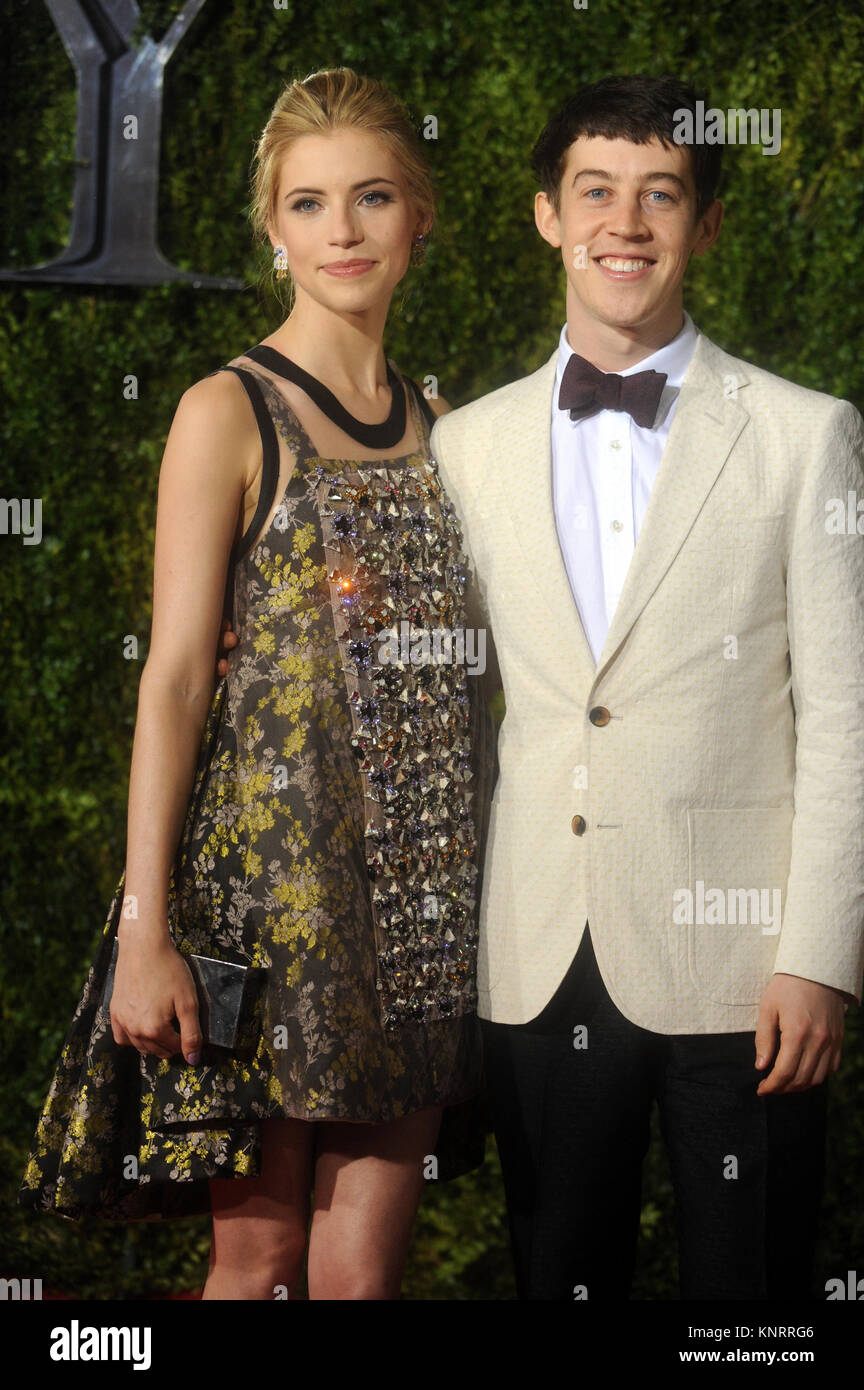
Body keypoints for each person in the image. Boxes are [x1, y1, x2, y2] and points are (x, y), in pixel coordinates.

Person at [19, 66, 497, 1301]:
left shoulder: (456, 432)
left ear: (419, 218)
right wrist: (145, 930)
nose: (342, 230)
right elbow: (175, 681)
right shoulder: (225, 411)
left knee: (362, 1276)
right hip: (265, 908)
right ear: (274, 233)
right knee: (260, 1263)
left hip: (421, 914)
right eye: (310, 203)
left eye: (373, 196)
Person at [422, 73, 864, 1300]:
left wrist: (820, 954)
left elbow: (849, 716)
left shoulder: (805, 431)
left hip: (746, 965)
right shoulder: (465, 444)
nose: (626, 222)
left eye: (661, 193)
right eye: (597, 192)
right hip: (536, 945)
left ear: (706, 224)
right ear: (547, 216)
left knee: (754, 1300)